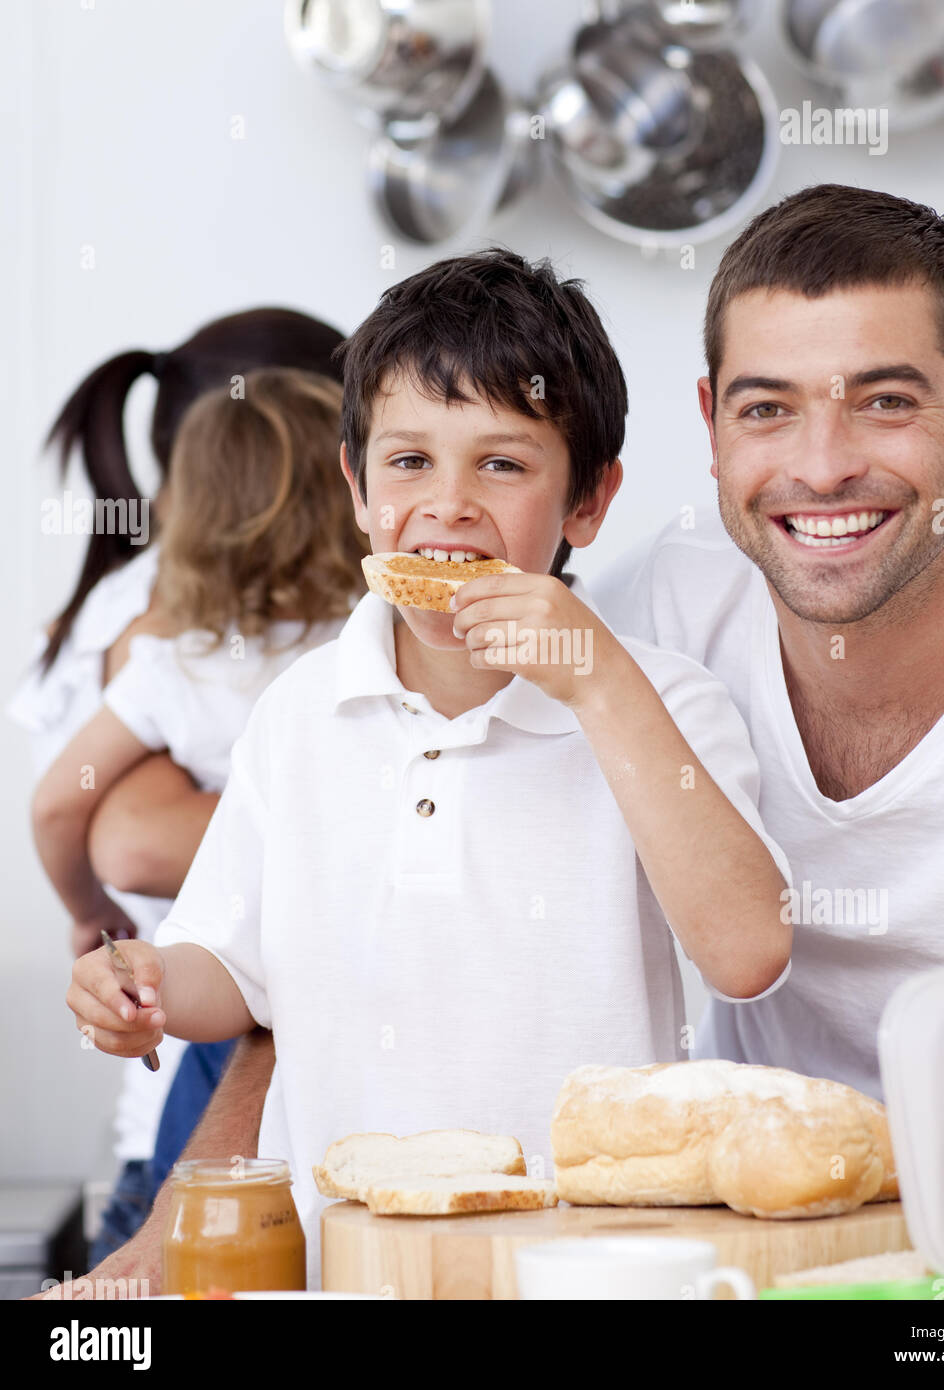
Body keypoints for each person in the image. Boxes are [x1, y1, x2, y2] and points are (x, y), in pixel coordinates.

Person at [67, 247, 793, 1288]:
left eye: (501, 464)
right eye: (409, 462)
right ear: (358, 489)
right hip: (343, 1263)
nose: (447, 505)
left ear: (587, 501)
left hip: (585, 1269)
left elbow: (743, 952)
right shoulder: (300, 714)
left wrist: (598, 685)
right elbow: (231, 970)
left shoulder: (661, 702)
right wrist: (145, 986)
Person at [593, 183, 944, 1098]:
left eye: (885, 401)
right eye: (766, 410)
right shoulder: (657, 611)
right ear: (710, 424)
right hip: (764, 1195)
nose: (821, 468)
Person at [10, 309, 352, 1263]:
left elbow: (61, 810)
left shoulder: (168, 659)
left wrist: (88, 912)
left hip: (277, 1090)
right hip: (229, 1087)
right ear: (347, 486)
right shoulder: (361, 644)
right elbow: (134, 839)